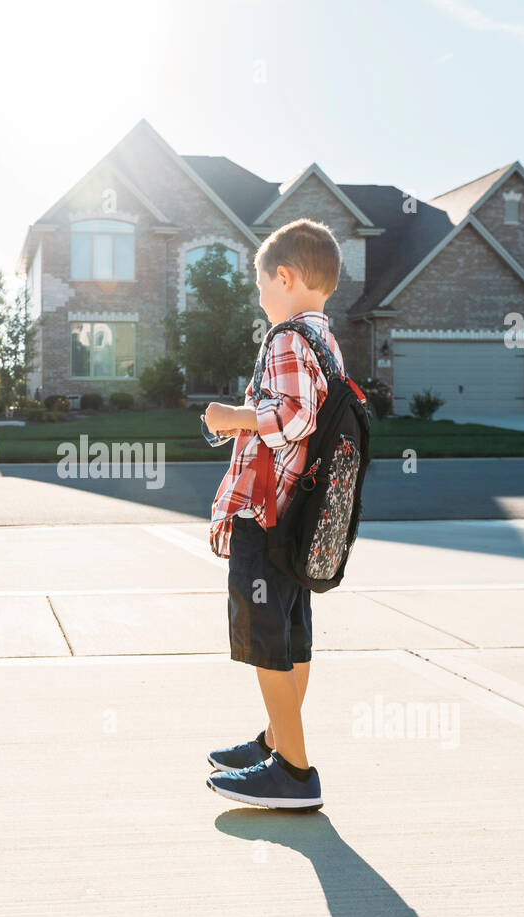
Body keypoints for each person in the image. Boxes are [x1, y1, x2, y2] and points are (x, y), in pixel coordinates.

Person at [201, 217, 344, 810]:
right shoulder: (326, 342)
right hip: (300, 521)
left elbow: (292, 420)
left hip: (267, 518)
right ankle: (274, 741)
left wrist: (232, 415)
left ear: (284, 277)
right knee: (291, 639)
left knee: (265, 645)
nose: (261, 300)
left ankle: (292, 770)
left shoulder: (286, 338)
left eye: (262, 288)